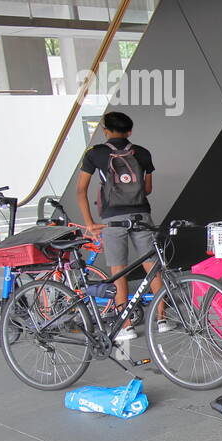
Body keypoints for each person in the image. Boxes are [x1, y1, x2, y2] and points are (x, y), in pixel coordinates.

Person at [75, 111, 165, 340]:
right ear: (130, 131)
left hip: (112, 219)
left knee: (118, 270)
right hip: (141, 215)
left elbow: (80, 190)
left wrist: (89, 223)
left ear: (105, 130)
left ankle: (126, 326)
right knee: (151, 265)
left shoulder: (95, 154)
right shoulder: (143, 153)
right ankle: (162, 319)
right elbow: (147, 190)